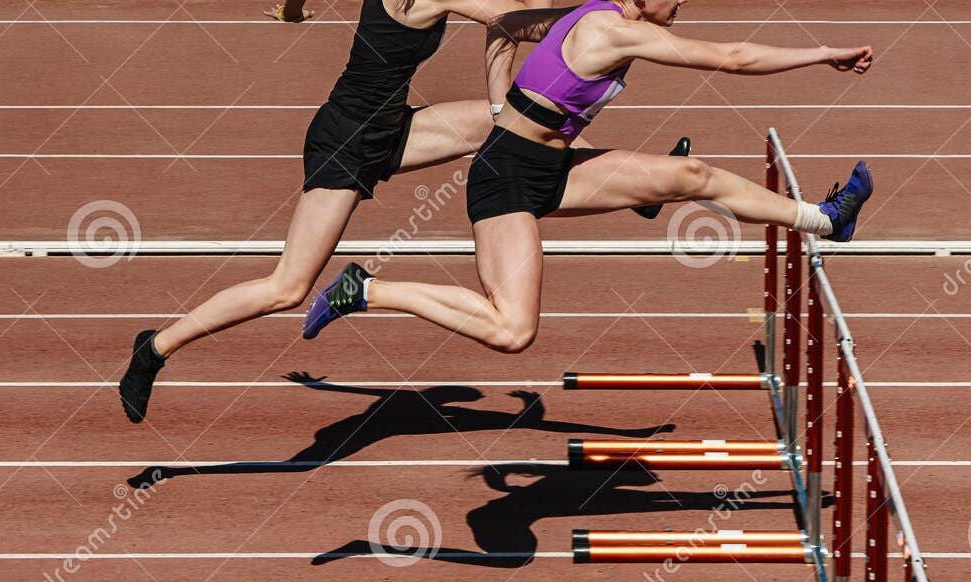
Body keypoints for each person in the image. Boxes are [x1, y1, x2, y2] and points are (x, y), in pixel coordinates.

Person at [117, 0, 687, 423]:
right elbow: (518, 19)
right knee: (288, 287)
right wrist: (604, 17)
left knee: (513, 123)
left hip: (392, 126)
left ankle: (639, 190)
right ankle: (156, 347)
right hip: (346, 138)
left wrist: (292, 10)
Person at [300, 0, 874, 355]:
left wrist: (502, 107)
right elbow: (735, 58)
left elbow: (504, 24)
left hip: (548, 167)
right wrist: (824, 54)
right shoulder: (616, 31)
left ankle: (826, 219)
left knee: (692, 175)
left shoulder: (585, 12)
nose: (684, 3)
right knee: (512, 330)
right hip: (506, 182)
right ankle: (366, 289)